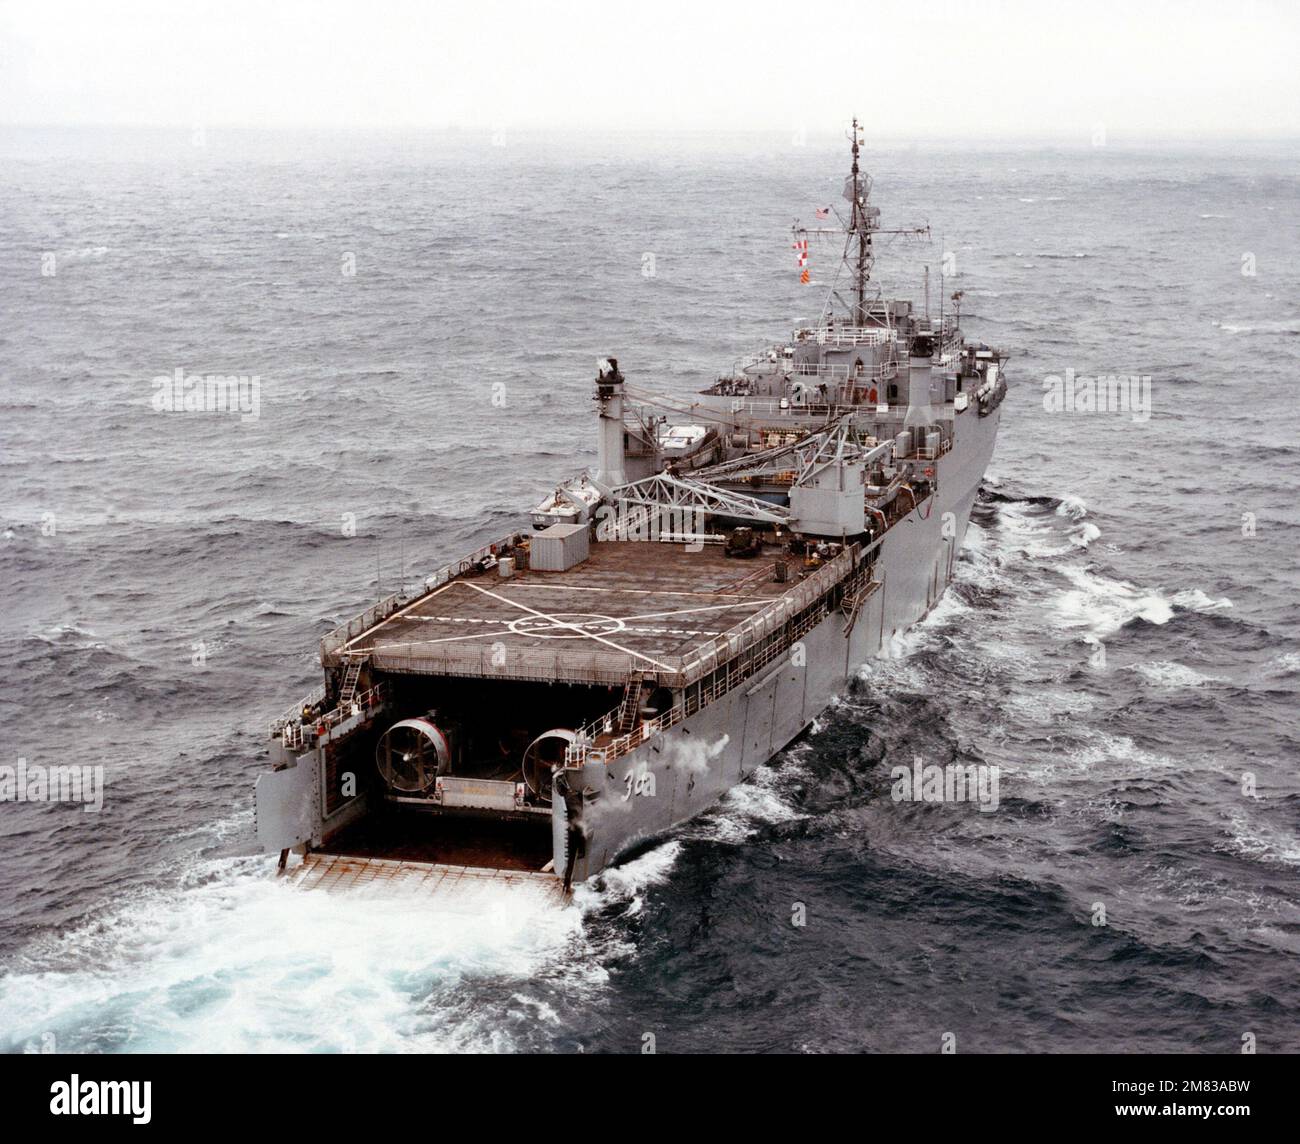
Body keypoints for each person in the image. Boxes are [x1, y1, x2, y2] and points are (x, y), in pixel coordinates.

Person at [553, 768, 591, 893]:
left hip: (571, 832)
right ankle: (568, 883)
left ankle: (566, 884)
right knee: (573, 857)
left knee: (569, 861)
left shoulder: (568, 800)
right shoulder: (575, 800)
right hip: (576, 833)